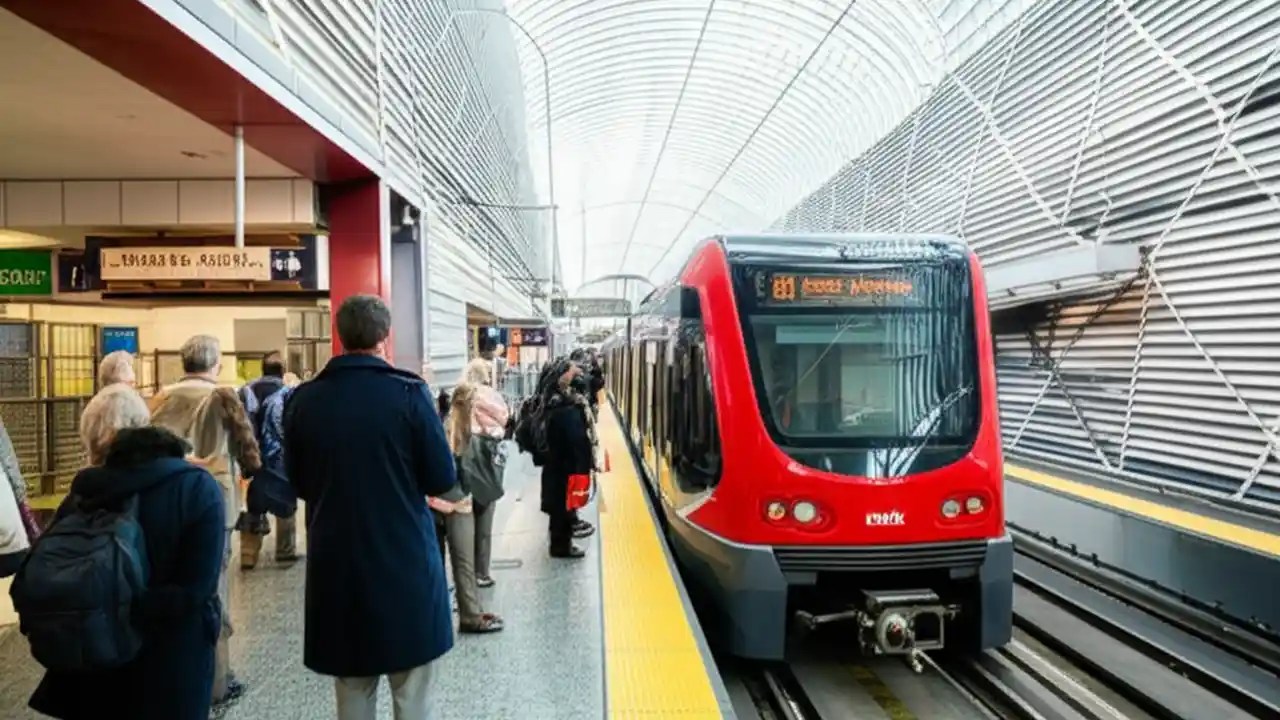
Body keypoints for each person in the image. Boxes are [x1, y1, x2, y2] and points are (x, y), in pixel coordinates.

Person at [284, 295, 457, 720]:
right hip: (406, 564)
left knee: (353, 688)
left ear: (339, 337)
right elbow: (441, 479)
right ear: (385, 336)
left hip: (337, 567)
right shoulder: (409, 393)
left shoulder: (304, 400)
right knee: (413, 691)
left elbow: (299, 483)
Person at [25, 385, 225, 720]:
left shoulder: (81, 495)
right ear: (144, 425)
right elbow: (197, 589)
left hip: (92, 663)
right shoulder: (194, 487)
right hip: (172, 665)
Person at [148, 335, 261, 707]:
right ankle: (217, 682)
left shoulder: (162, 398)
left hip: (168, 495)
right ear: (215, 365)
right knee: (214, 590)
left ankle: (171, 674)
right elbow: (248, 451)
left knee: (172, 581)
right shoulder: (224, 396)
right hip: (215, 499)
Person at [236, 350, 300, 569]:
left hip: (251, 461)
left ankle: (248, 554)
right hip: (280, 461)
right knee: (285, 507)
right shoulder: (289, 393)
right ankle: (285, 551)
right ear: (282, 370)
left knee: (253, 506)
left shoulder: (245, 391)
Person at [536, 358, 595, 558]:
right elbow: (574, 438)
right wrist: (585, 463)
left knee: (560, 508)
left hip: (556, 465)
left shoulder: (552, 398)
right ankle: (561, 547)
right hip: (563, 466)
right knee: (562, 506)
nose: (574, 374)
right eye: (570, 371)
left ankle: (561, 543)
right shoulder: (562, 404)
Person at [458, 357, 509, 587]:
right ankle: (482, 573)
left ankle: (467, 575)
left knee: (464, 526)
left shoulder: (458, 397)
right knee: (485, 522)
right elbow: (503, 421)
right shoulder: (490, 397)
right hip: (485, 463)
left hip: (463, 463)